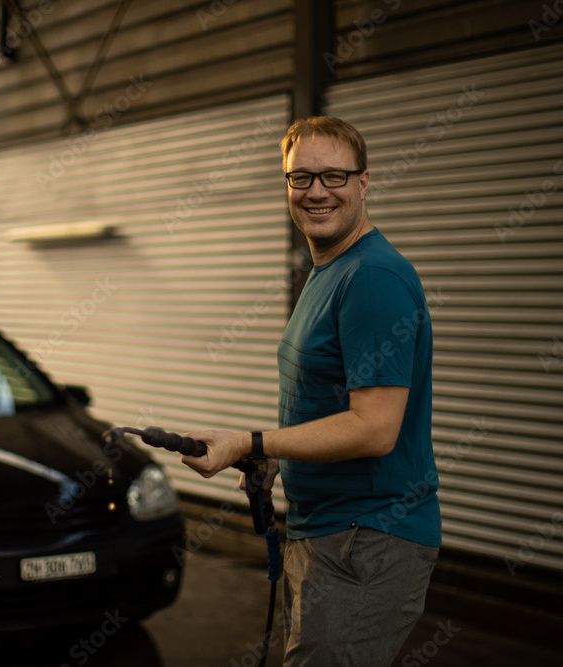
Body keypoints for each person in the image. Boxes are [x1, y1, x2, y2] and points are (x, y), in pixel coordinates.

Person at [181, 116, 440, 666]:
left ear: (364, 183)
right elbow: (329, 404)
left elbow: (374, 427)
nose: (316, 191)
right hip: (326, 533)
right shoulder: (329, 269)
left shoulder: (372, 278)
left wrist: (252, 444)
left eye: (333, 176)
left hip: (365, 540)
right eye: (300, 178)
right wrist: (278, 459)